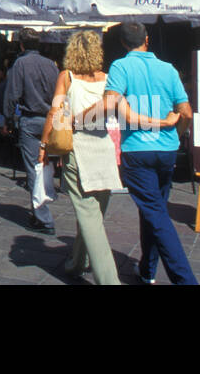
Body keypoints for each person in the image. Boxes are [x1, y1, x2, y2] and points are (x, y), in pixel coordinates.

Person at [101, 21, 196, 285]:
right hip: (166, 149)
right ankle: (147, 269)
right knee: (153, 210)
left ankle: (185, 279)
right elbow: (186, 112)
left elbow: (109, 104)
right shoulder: (168, 69)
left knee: (156, 214)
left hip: (137, 148)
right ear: (147, 39)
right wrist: (175, 135)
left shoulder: (121, 66)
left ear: (122, 43)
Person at [39, 31, 122, 284]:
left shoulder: (67, 77)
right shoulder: (108, 79)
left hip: (79, 150)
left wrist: (44, 145)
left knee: (90, 218)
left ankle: (109, 280)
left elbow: (55, 111)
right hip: (104, 149)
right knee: (94, 214)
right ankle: (77, 262)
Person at [2, 30, 60, 235]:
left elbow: (12, 94)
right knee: (46, 165)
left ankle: (42, 217)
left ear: (21, 45)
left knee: (34, 168)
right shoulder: (51, 65)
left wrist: (7, 119)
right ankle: (45, 201)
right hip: (52, 120)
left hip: (31, 119)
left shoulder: (20, 64)